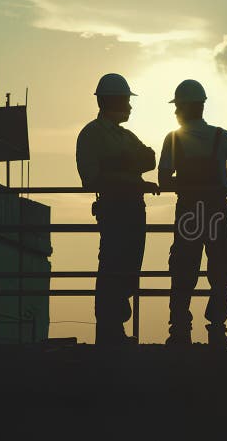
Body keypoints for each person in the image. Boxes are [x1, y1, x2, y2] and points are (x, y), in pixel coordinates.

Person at [158, 79, 227, 347]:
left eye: (177, 107)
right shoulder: (221, 136)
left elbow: (163, 178)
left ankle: (179, 328)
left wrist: (188, 186)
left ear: (184, 107)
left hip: (188, 212)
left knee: (183, 267)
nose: (175, 112)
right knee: (221, 268)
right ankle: (217, 328)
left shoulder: (173, 139)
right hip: (219, 211)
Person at [75, 73, 158, 345]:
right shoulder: (91, 135)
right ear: (111, 100)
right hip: (114, 210)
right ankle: (109, 331)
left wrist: (120, 163)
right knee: (112, 267)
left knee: (129, 269)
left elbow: (149, 159)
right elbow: (92, 177)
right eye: (125, 100)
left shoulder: (124, 136)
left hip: (134, 209)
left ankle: (116, 329)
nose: (130, 107)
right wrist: (127, 169)